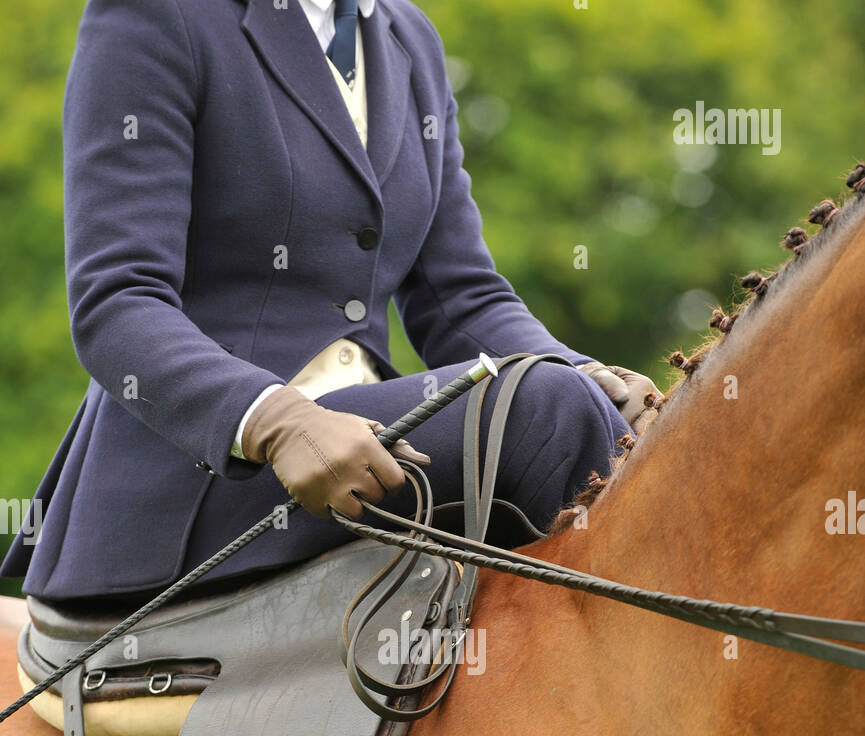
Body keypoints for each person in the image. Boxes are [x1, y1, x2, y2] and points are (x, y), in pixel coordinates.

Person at [1, 0, 658, 604]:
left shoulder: (409, 37)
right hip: (204, 473)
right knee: (546, 409)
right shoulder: (159, 14)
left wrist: (587, 374)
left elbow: (461, 298)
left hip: (376, 447)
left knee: (589, 406)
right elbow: (116, 302)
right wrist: (275, 420)